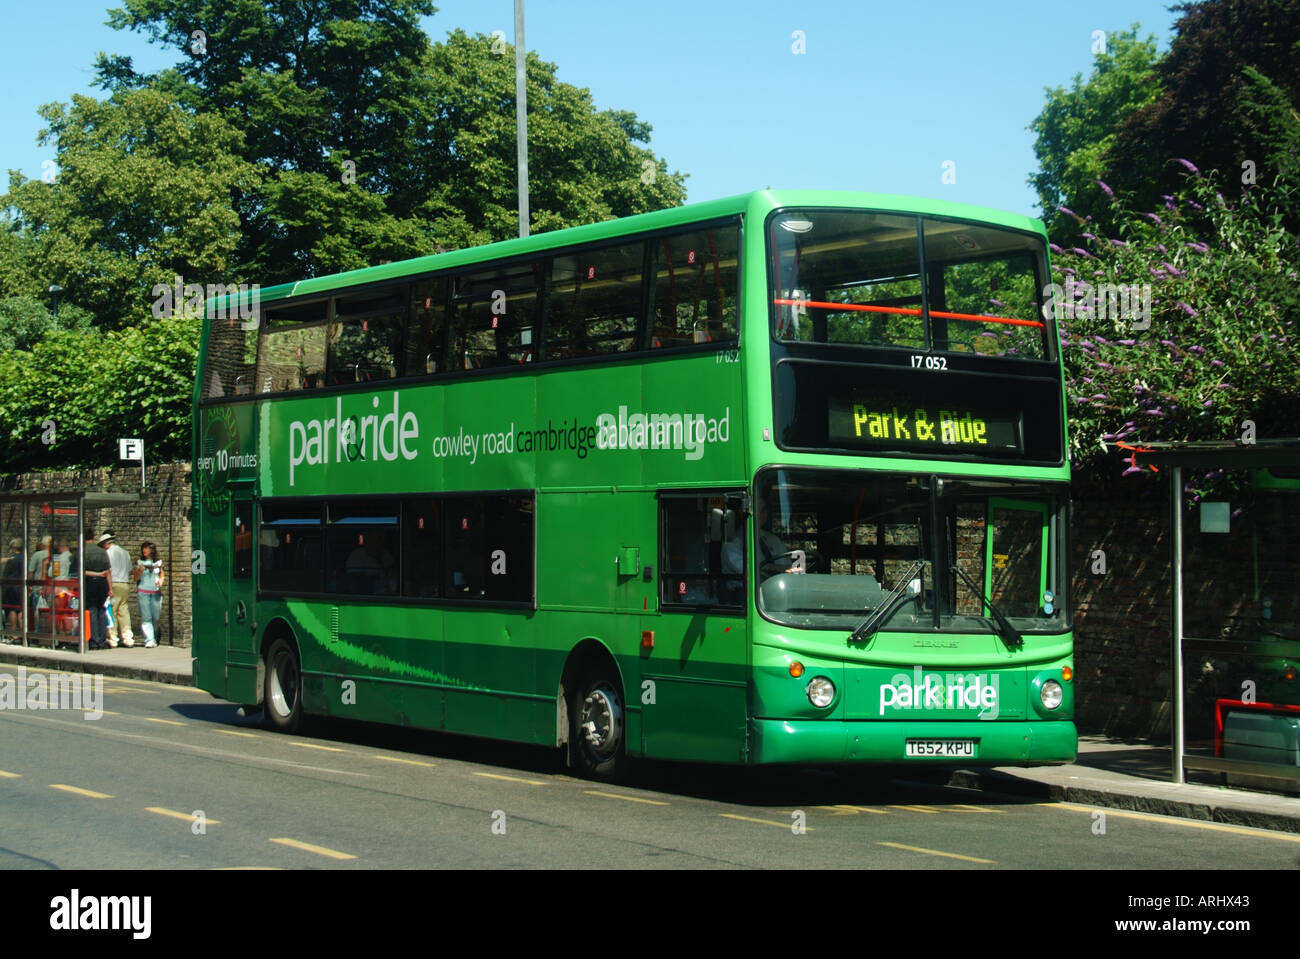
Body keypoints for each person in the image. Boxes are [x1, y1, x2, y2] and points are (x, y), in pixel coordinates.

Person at [723, 497, 799, 577]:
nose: (765, 514)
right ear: (742, 512)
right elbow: (751, 571)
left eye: (765, 510)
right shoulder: (731, 543)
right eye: (760, 510)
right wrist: (776, 568)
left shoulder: (774, 540)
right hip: (743, 589)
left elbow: (790, 569)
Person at [72, 529, 112, 649]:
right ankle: (102, 640)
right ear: (93, 537)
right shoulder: (102, 551)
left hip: (89, 583)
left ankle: (94, 640)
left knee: (92, 610)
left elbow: (79, 571)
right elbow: (108, 572)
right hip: (103, 584)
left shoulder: (81, 552)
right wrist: (110, 588)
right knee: (102, 610)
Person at [100, 531, 135, 647]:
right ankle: (128, 637)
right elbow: (130, 570)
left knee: (112, 611)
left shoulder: (107, 553)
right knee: (124, 611)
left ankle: (112, 638)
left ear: (106, 543)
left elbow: (107, 571)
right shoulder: (125, 552)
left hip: (113, 584)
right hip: (124, 584)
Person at [132, 541, 164, 648]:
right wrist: (139, 571)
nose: (144, 550)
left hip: (156, 592)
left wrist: (161, 581)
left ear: (152, 550)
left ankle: (154, 635)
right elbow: (135, 578)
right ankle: (149, 640)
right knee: (146, 617)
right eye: (143, 548)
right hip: (143, 591)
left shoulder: (158, 562)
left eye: (147, 548)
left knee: (156, 617)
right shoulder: (139, 562)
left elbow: (162, 575)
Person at [2, 538, 23, 635]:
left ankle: (13, 632)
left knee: (12, 609)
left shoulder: (11, 560)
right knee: (20, 609)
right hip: (21, 587)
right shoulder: (24, 558)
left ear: (13, 548)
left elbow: (5, 576)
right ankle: (22, 632)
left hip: (11, 587)